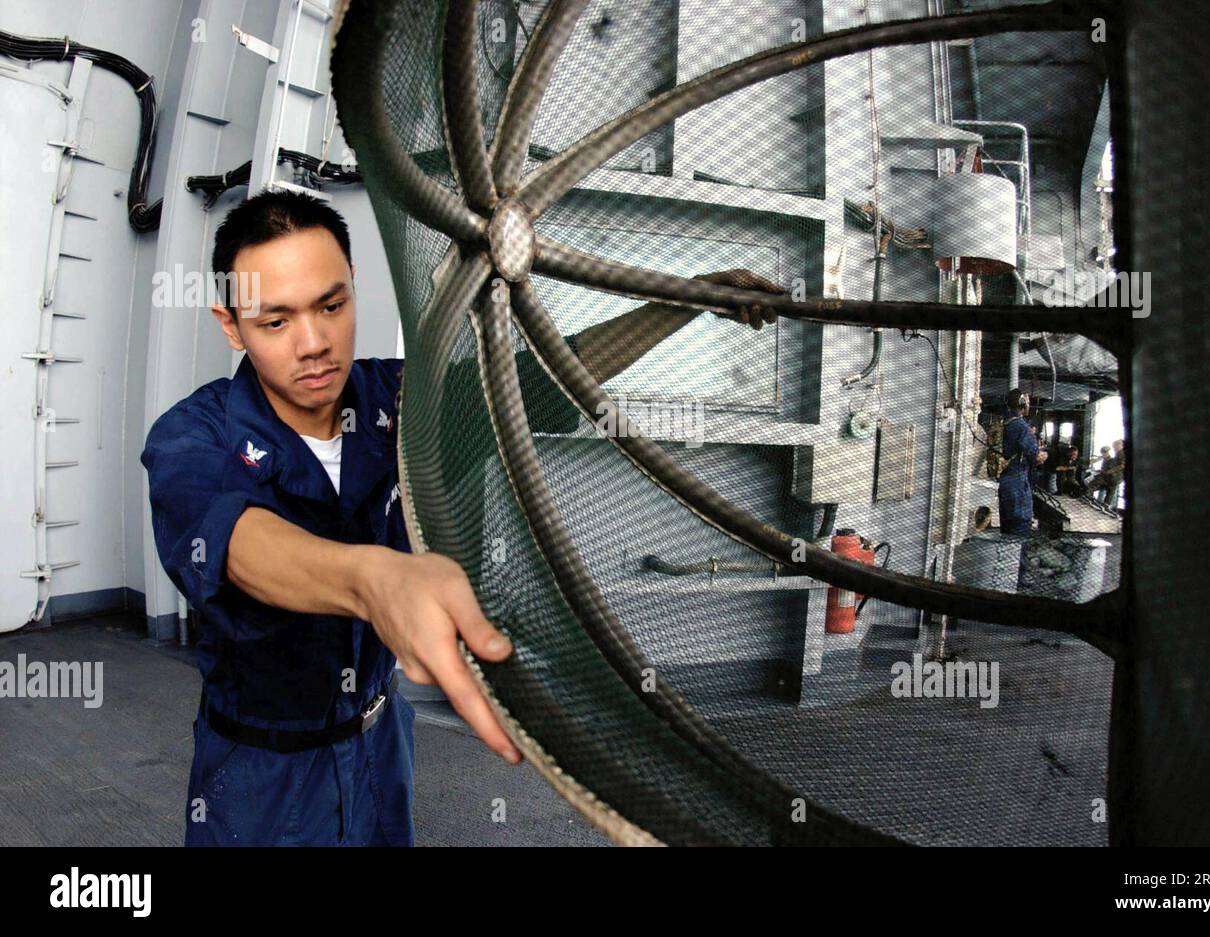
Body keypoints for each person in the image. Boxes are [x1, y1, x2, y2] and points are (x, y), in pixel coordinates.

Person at [141, 189, 782, 846]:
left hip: (378, 746)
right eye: (275, 321)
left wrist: (684, 302)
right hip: (260, 774)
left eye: (331, 306)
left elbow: (546, 380)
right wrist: (372, 578)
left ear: (354, 288)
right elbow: (235, 537)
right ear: (231, 324)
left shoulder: (396, 401)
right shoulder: (193, 436)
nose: (313, 344)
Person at [998, 388, 1047, 535]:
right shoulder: (1022, 427)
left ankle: (1007, 557)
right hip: (1018, 483)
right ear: (1022, 404)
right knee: (1020, 526)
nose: (1029, 405)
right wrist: (1044, 455)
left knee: (1007, 528)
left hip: (1004, 482)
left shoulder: (1005, 423)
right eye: (1028, 401)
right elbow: (1035, 457)